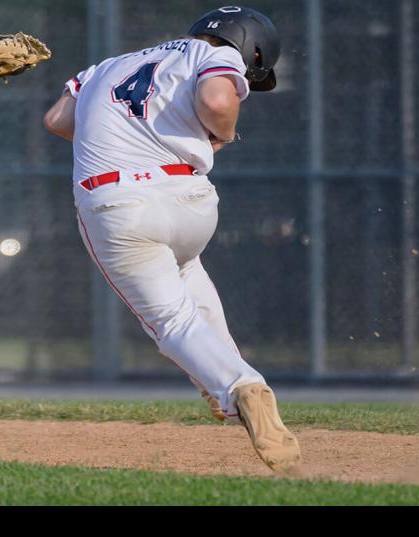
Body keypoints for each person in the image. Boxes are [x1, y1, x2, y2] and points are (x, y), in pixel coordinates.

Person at [42, 5, 299, 473]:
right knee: (185, 271)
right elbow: (219, 101)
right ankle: (226, 384)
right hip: (189, 198)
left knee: (169, 319)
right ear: (249, 48)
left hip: (118, 202)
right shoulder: (211, 54)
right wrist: (223, 135)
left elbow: (58, 120)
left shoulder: (107, 66)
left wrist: (120, 133)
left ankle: (240, 384)